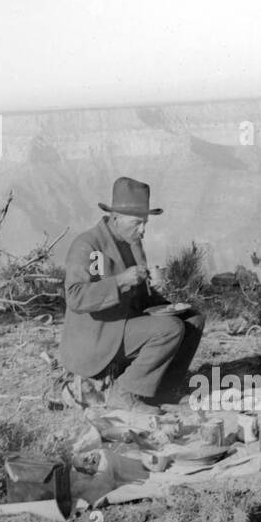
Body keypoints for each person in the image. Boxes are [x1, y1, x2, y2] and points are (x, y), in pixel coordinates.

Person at [58, 177, 206, 413]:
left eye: (145, 223)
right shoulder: (89, 245)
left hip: (122, 327)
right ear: (116, 218)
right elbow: (76, 297)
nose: (143, 230)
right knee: (169, 329)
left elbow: (140, 297)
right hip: (96, 337)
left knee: (193, 320)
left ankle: (162, 391)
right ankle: (124, 393)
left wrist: (169, 306)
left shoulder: (132, 244)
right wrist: (120, 281)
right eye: (137, 223)